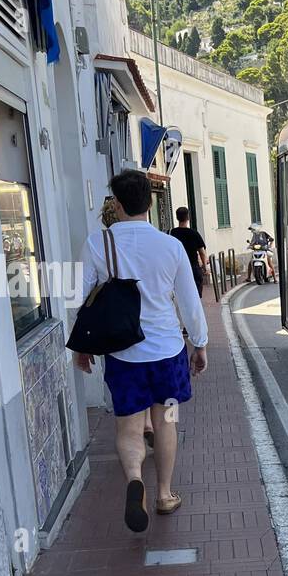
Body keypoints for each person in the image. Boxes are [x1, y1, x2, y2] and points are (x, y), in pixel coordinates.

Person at [73, 170, 208, 533]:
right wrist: (200, 343)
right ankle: (164, 493)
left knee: (130, 427)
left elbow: (80, 298)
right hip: (167, 351)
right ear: (150, 202)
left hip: (123, 354)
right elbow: (189, 301)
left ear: (116, 204)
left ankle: (135, 479)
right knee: (166, 422)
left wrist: (82, 347)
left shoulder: (97, 243)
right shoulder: (171, 246)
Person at [170, 206, 208, 296]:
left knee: (179, 296)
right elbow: (202, 252)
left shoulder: (171, 233)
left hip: (176, 269)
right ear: (188, 218)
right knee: (195, 296)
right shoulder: (194, 233)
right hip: (192, 268)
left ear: (177, 217)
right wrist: (205, 267)